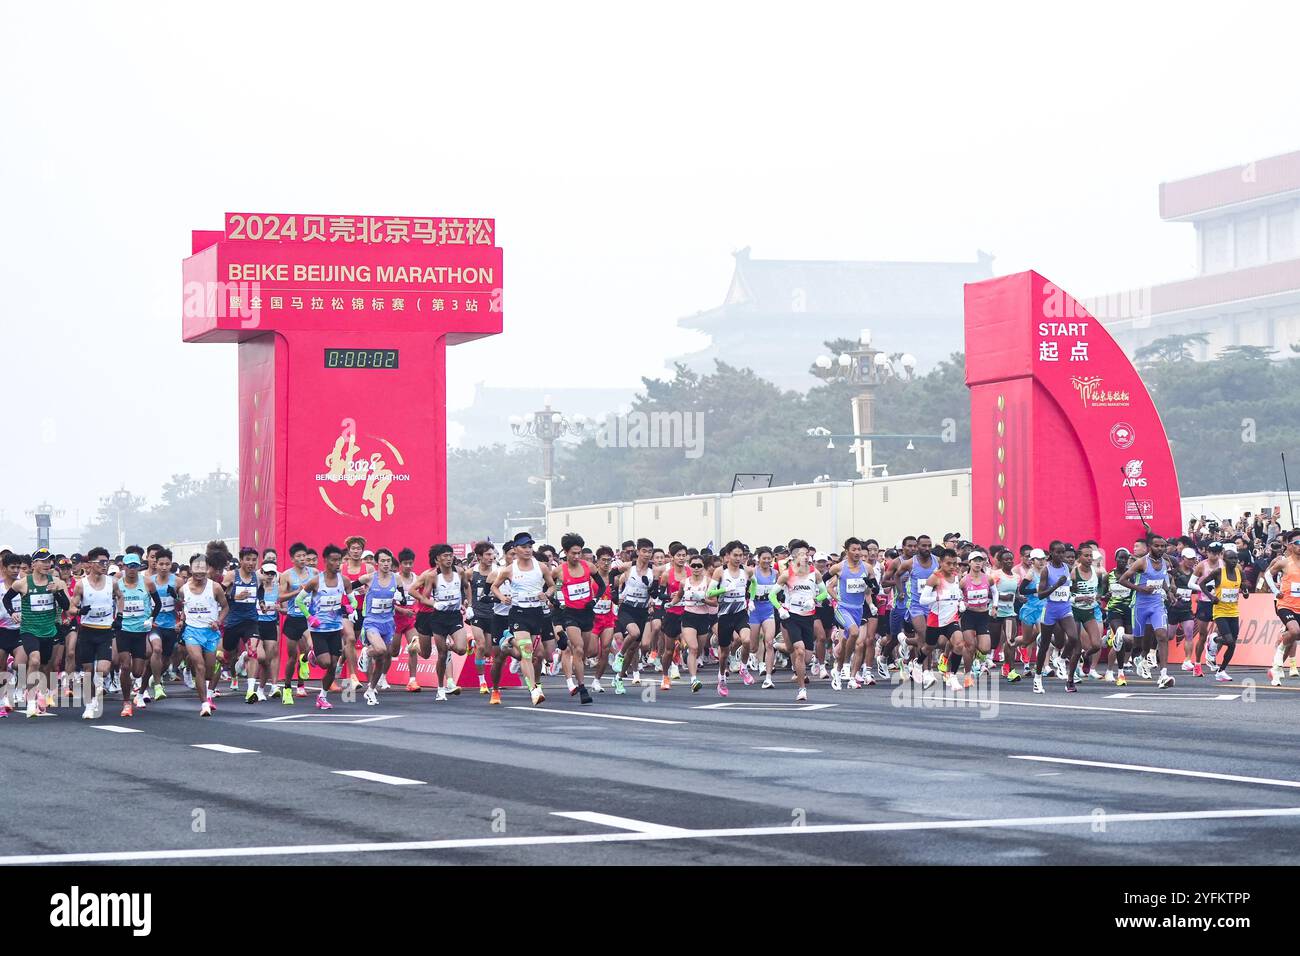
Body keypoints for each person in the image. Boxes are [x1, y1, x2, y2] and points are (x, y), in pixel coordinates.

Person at [492, 532, 553, 706]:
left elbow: (552, 586)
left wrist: (547, 594)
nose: (527, 550)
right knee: (526, 652)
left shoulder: (541, 567)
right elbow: (495, 587)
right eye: (524, 547)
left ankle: (508, 640)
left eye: (530, 547)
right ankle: (534, 690)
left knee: (532, 654)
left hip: (536, 613)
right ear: (516, 549)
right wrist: (502, 598)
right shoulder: (509, 570)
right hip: (519, 613)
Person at [294, 544, 353, 710]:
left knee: (333, 665)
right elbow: (299, 600)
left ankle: (322, 696)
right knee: (326, 663)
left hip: (335, 629)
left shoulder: (344, 581)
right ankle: (312, 654)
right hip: (318, 630)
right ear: (325, 560)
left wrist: (350, 607)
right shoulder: (315, 581)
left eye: (339, 560)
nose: (337, 563)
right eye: (333, 560)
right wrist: (309, 617)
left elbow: (353, 600)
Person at [411, 544, 472, 702]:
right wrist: (434, 604)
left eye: (450, 555)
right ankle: (440, 688)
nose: (449, 558)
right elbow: (423, 597)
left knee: (461, 649)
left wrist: (468, 604)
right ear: (437, 559)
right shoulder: (431, 576)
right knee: (441, 654)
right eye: (445, 556)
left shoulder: (459, 571)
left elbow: (467, 586)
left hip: (454, 616)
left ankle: (449, 646)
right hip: (437, 617)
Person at [1118, 535, 1177, 689]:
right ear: (1150, 547)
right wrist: (1140, 588)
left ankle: (1163, 675)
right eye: (1157, 546)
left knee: (1162, 636)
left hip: (1157, 604)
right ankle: (1121, 637)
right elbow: (1122, 580)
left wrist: (1169, 593)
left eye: (1163, 546)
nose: (1161, 548)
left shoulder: (1165, 562)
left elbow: (1162, 580)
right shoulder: (1142, 562)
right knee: (1138, 642)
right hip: (1140, 606)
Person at [176, 554, 231, 716]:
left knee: (209, 671)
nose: (199, 571)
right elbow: (182, 608)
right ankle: (204, 704)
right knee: (199, 666)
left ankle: (206, 689)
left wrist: (218, 621)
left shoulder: (215, 587)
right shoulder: (183, 590)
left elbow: (225, 607)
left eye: (203, 568)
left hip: (211, 633)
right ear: (190, 569)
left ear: (207, 569)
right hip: (192, 632)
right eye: (196, 568)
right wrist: (181, 621)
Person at [355, 549, 401, 706]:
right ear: (377, 563)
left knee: (382, 657)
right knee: (380, 650)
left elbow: (402, 598)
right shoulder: (368, 578)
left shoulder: (396, 578)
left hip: (388, 622)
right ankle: (366, 652)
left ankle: (371, 690)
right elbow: (348, 588)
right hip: (372, 622)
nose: (386, 564)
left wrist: (400, 598)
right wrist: (350, 604)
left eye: (388, 561)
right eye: (383, 561)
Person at [114, 552, 158, 717]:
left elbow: (158, 604)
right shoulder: (117, 584)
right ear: (124, 567)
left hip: (140, 630)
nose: (132, 569)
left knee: (137, 672)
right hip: (123, 629)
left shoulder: (147, 583)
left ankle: (134, 686)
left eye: (135, 566)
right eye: (129, 566)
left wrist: (151, 618)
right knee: (125, 666)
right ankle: (126, 702)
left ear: (139, 567)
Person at [1199, 543, 1245, 682]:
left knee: (1232, 643)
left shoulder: (1239, 572)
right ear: (1224, 560)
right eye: (1231, 558)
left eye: (1236, 558)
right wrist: (1211, 597)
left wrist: (1246, 591)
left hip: (1233, 611)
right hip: (1220, 612)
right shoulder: (1218, 572)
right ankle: (1213, 640)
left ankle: (1221, 671)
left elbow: (1244, 585)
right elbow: (1202, 584)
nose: (1234, 561)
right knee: (1229, 641)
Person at [1262, 529, 1300, 686]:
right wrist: (1275, 591)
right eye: (1297, 543)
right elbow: (1267, 575)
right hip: (1285, 605)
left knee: (1294, 637)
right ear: (1290, 545)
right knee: (1294, 631)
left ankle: (1276, 669)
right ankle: (1281, 657)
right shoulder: (1284, 562)